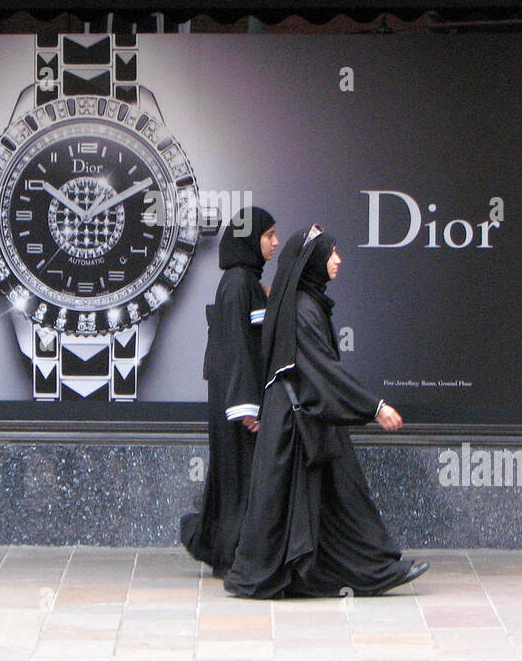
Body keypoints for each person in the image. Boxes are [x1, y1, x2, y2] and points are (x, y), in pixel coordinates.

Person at [224, 227, 428, 599]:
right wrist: (374, 407)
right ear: (314, 261)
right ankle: (372, 570)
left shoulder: (306, 304)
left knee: (339, 500)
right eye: (332, 252)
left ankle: (376, 569)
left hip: (306, 421)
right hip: (296, 427)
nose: (339, 259)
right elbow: (323, 369)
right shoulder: (303, 309)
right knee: (336, 499)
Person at [180, 206, 277, 577]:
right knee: (242, 476)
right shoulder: (239, 283)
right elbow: (237, 347)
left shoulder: (243, 282)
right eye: (268, 235)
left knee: (235, 476)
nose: (275, 242)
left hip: (236, 400)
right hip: (239, 405)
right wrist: (247, 407)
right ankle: (236, 552)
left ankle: (226, 547)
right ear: (250, 239)